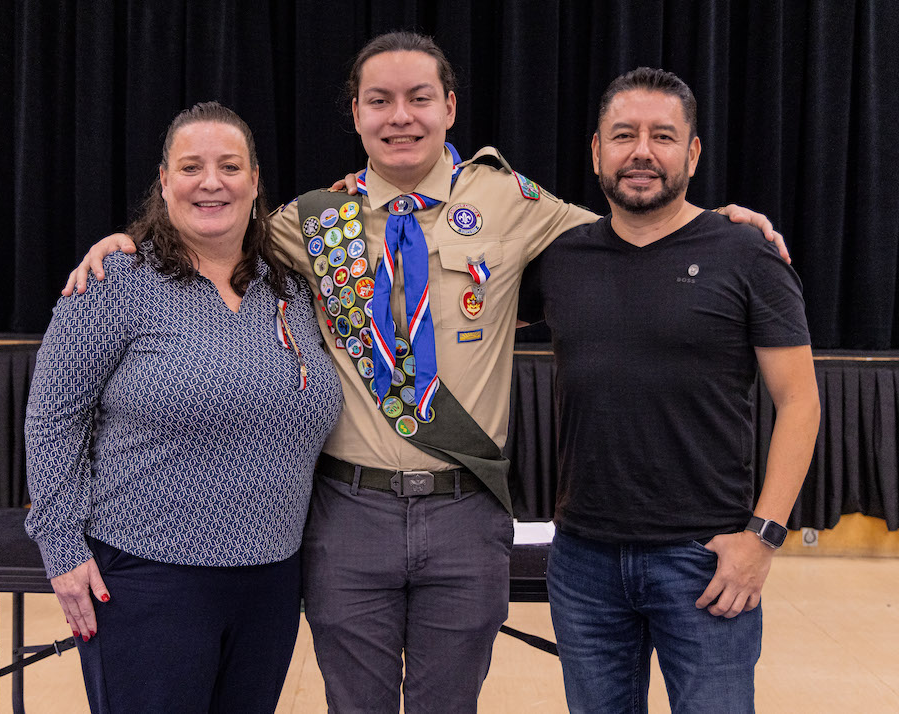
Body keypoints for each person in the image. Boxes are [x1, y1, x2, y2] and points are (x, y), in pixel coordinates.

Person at [64, 33, 787, 713]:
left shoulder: (511, 200)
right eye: (379, 100)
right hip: (349, 513)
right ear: (355, 114)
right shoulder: (311, 223)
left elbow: (633, 234)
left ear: (450, 107)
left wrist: (717, 221)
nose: (400, 116)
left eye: (419, 97)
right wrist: (129, 241)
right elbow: (211, 228)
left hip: (464, 511)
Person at [518, 68, 821, 713]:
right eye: (623, 135)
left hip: (708, 562)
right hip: (583, 560)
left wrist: (762, 538)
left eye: (663, 136)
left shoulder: (746, 254)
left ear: (694, 152)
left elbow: (800, 402)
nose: (642, 153)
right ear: (596, 151)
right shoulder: (562, 259)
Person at [25, 101, 343, 714]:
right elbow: (53, 420)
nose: (211, 181)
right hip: (148, 576)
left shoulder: (293, 290)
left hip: (272, 578)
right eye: (191, 166)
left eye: (229, 165)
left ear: (254, 182)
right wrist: (62, 550)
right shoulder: (114, 282)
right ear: (164, 181)